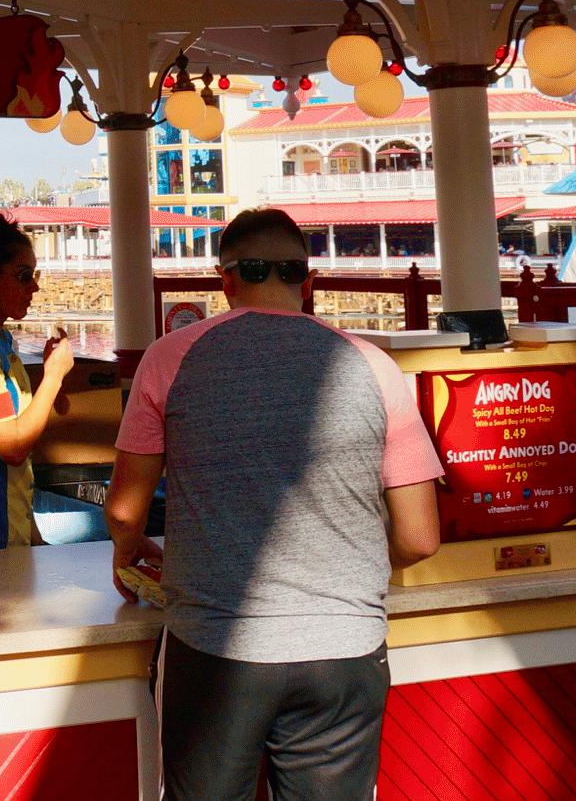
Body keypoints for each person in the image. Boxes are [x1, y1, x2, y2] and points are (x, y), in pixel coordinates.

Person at [104, 207, 442, 801]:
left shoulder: (171, 357)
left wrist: (130, 550)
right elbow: (419, 538)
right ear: (308, 279)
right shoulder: (376, 367)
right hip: (346, 652)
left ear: (225, 279)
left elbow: (126, 510)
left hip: (216, 649)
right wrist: (340, 579)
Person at [0, 203, 75, 550]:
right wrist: (52, 376)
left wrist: (34, 540)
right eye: (24, 276)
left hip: (5, 534)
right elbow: (13, 446)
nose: (33, 288)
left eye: (34, 276)